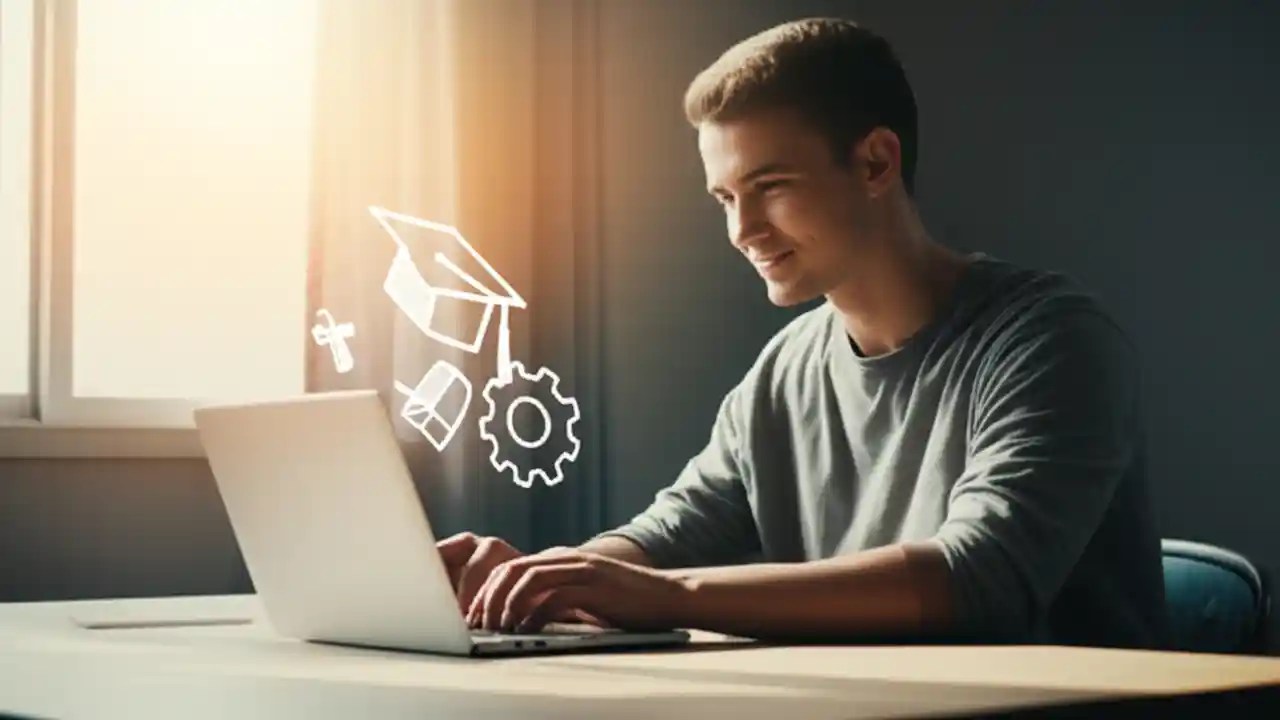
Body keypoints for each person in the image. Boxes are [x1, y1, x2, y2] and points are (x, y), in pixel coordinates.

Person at [437, 17, 1170, 648]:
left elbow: (979, 577)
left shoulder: (1051, 341)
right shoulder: (785, 369)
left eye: (771, 187)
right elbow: (673, 534)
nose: (742, 230)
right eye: (725, 197)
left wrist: (672, 598)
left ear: (877, 161)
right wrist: (547, 580)